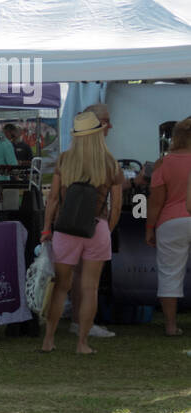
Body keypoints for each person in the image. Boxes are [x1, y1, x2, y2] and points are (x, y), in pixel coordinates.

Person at [39, 110, 123, 354]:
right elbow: (116, 205)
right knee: (90, 288)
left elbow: (53, 199)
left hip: (66, 229)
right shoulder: (110, 163)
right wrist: (107, 229)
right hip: (97, 228)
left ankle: (48, 340)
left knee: (60, 286)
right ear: (98, 134)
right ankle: (82, 343)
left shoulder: (65, 160)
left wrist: (47, 228)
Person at [69, 101, 117, 339]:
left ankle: (78, 321)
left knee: (80, 276)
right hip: (90, 224)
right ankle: (82, 323)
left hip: (74, 225)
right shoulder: (99, 156)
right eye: (106, 120)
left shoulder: (73, 153)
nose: (110, 126)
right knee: (88, 280)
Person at [145, 116, 191, 335]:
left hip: (171, 221)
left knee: (170, 274)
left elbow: (155, 202)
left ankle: (171, 326)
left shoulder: (163, 162)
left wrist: (149, 229)